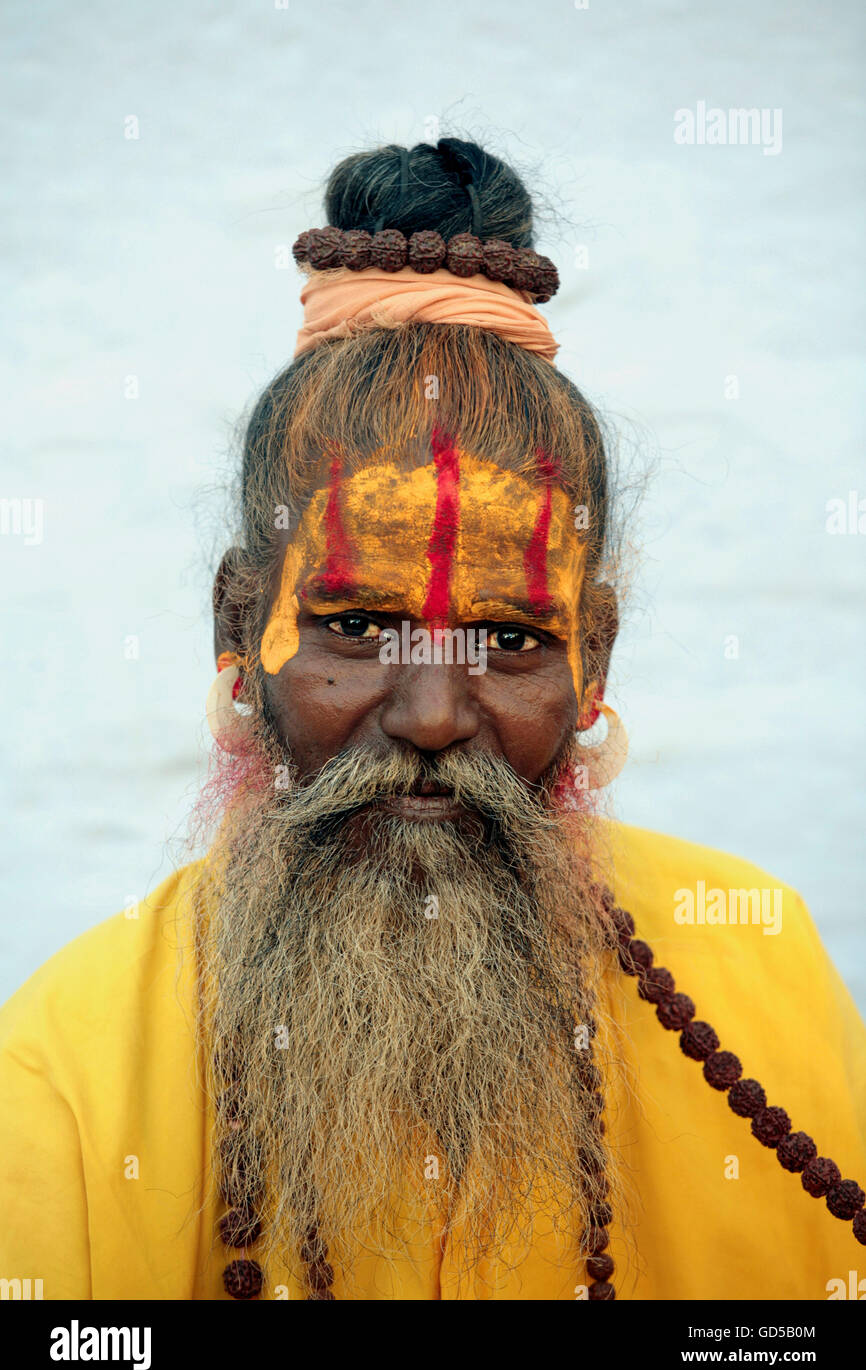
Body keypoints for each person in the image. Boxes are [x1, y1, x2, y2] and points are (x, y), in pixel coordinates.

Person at [1, 138, 864, 1302]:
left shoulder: (759, 972)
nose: (429, 713)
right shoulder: (66, 1065)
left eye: (508, 640)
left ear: (590, 656)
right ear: (238, 629)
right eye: (357, 623)